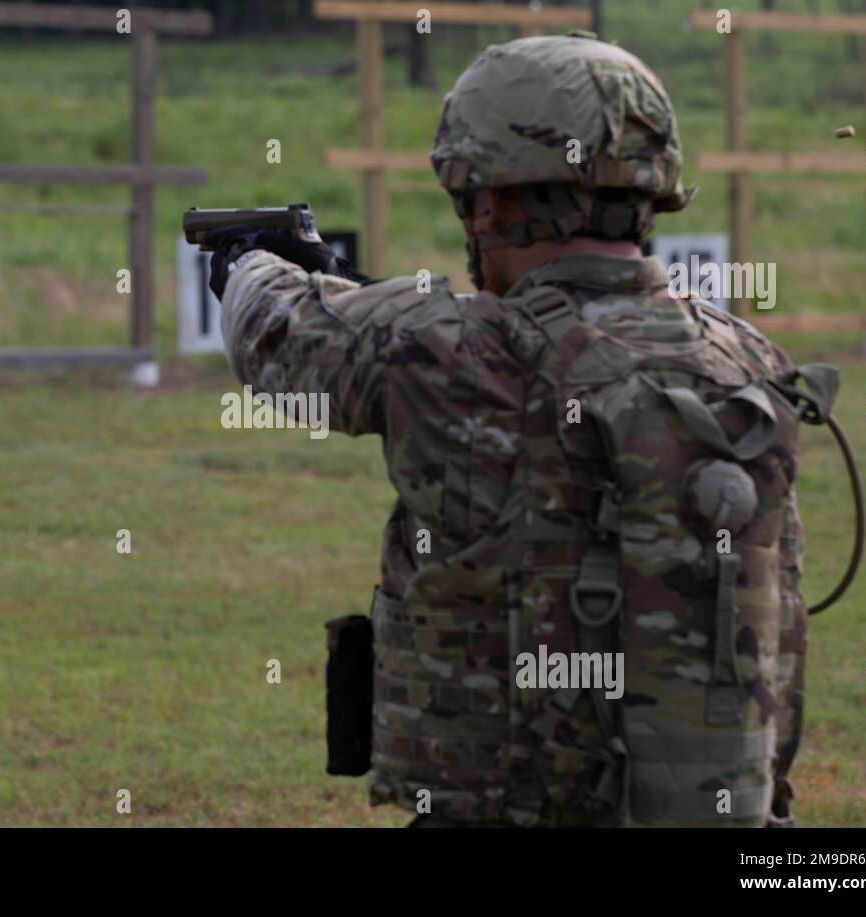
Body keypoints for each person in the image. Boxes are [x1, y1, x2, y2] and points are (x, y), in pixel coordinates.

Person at [205, 34, 807, 828]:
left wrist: (252, 261)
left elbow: (274, 336)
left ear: (486, 200)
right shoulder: (749, 359)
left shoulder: (441, 354)